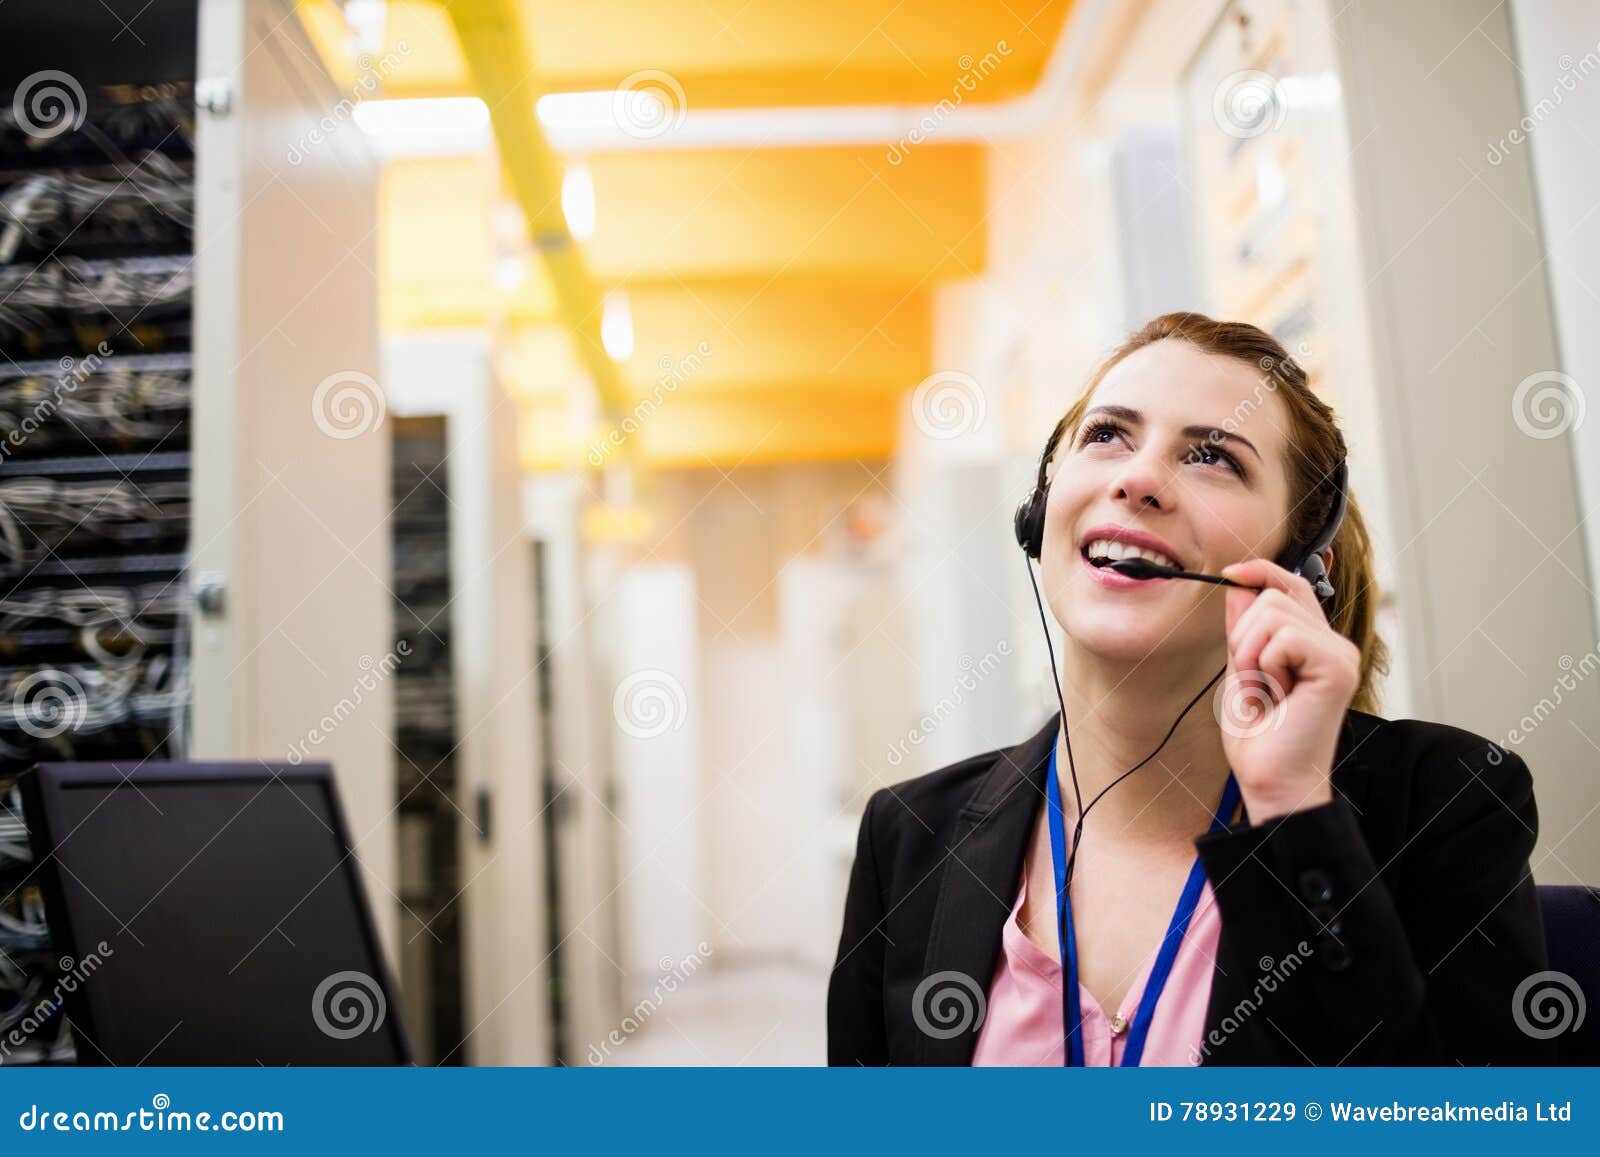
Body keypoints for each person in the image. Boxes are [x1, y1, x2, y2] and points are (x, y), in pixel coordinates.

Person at [826, 312, 1553, 1066]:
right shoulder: (908, 838)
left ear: (1302, 562)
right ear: (1040, 511)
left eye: (1211, 456)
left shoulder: (1444, 806)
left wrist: (1293, 814)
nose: (1138, 479)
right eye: (1107, 434)